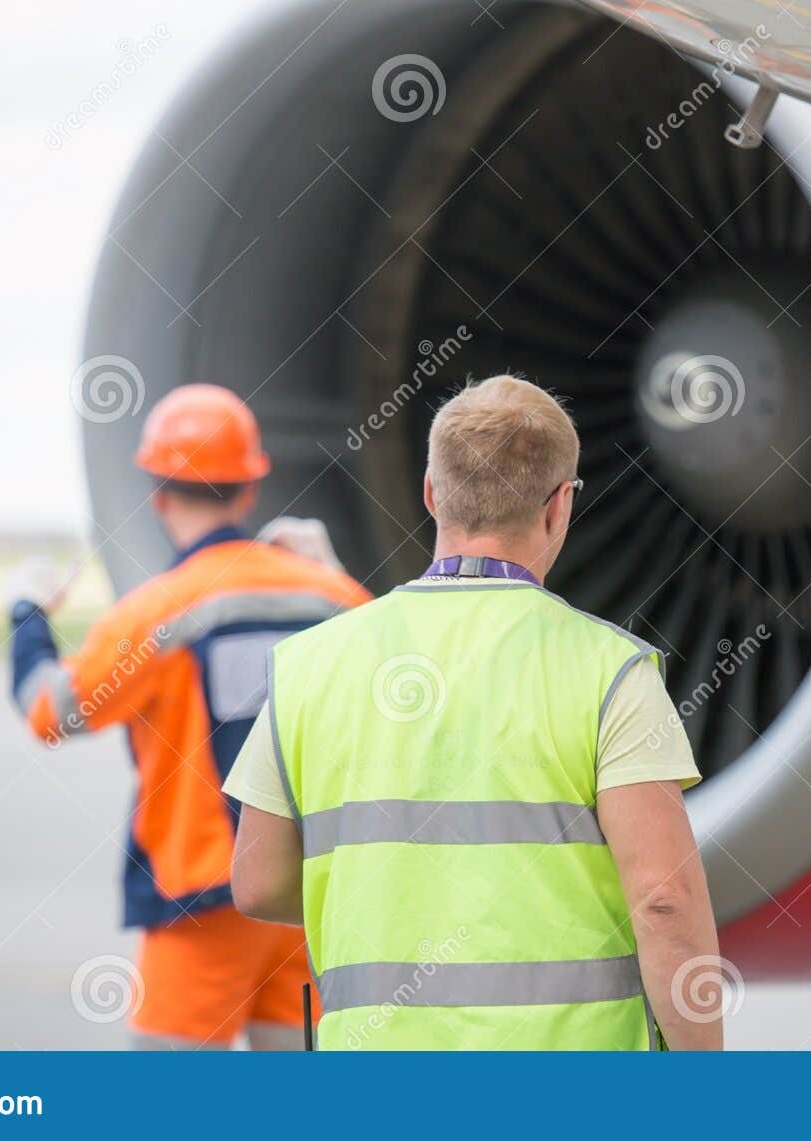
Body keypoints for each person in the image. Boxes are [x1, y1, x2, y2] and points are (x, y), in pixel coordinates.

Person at [224, 375, 722, 1050]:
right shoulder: (611, 671)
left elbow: (256, 884)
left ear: (433, 494)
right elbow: (665, 903)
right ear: (560, 506)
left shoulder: (310, 664)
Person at [5, 383, 370, 1049]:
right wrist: (337, 574)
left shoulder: (154, 613)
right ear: (249, 488)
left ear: (160, 492)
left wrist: (27, 615)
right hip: (309, 894)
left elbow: (50, 711)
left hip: (205, 896)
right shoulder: (335, 597)